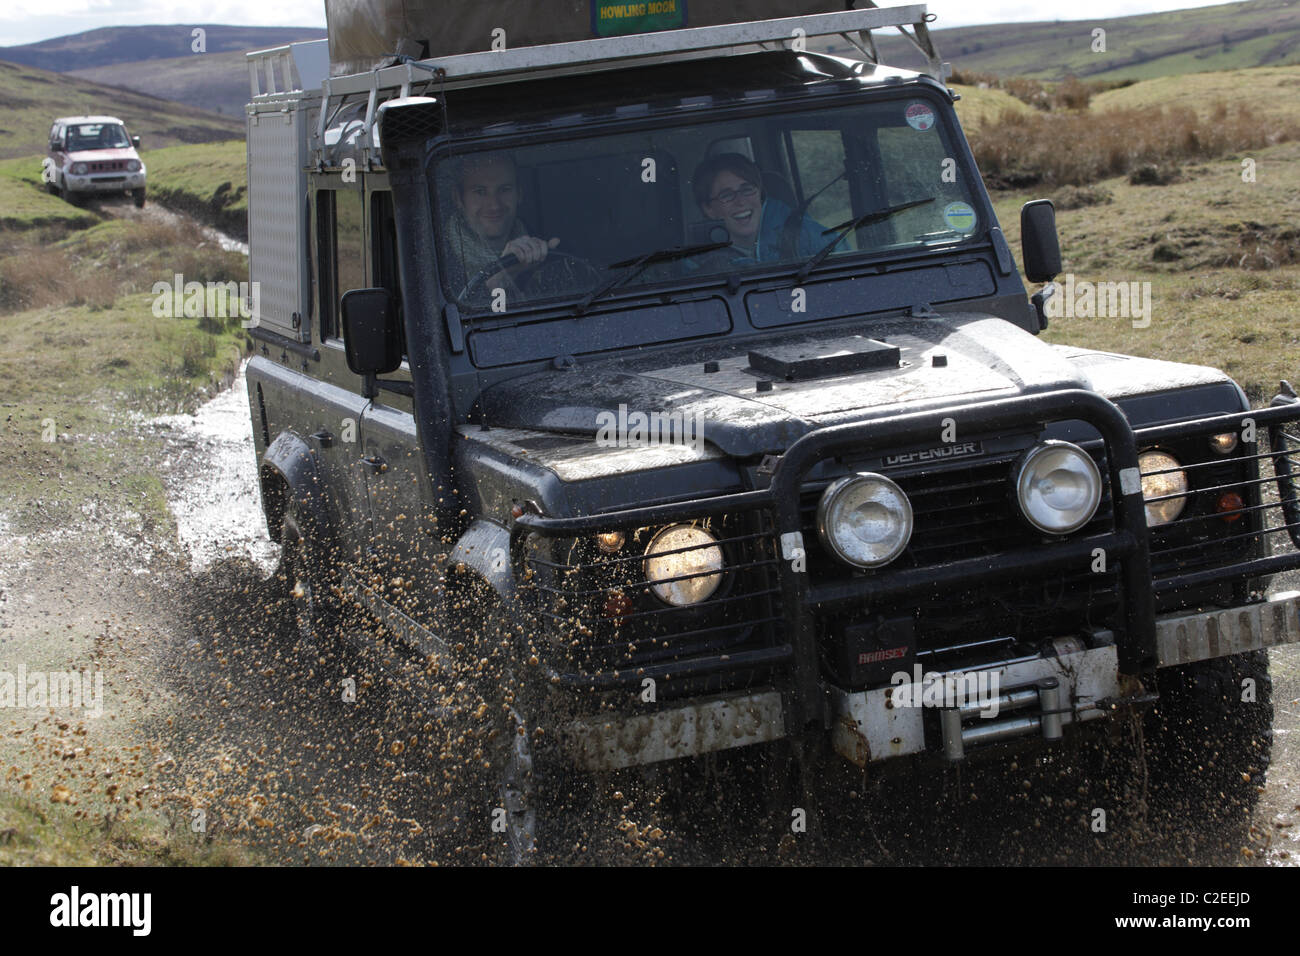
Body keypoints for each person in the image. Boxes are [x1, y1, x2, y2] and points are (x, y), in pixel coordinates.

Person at [443, 152, 561, 302]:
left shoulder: (550, 251)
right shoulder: (435, 263)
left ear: (519, 193)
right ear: (458, 199)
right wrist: (500, 277)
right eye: (480, 192)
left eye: (504, 189)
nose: (494, 205)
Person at [690, 153, 830, 267]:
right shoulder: (696, 264)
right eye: (727, 195)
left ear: (760, 195)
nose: (741, 201)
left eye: (747, 189)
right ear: (708, 209)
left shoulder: (806, 234)